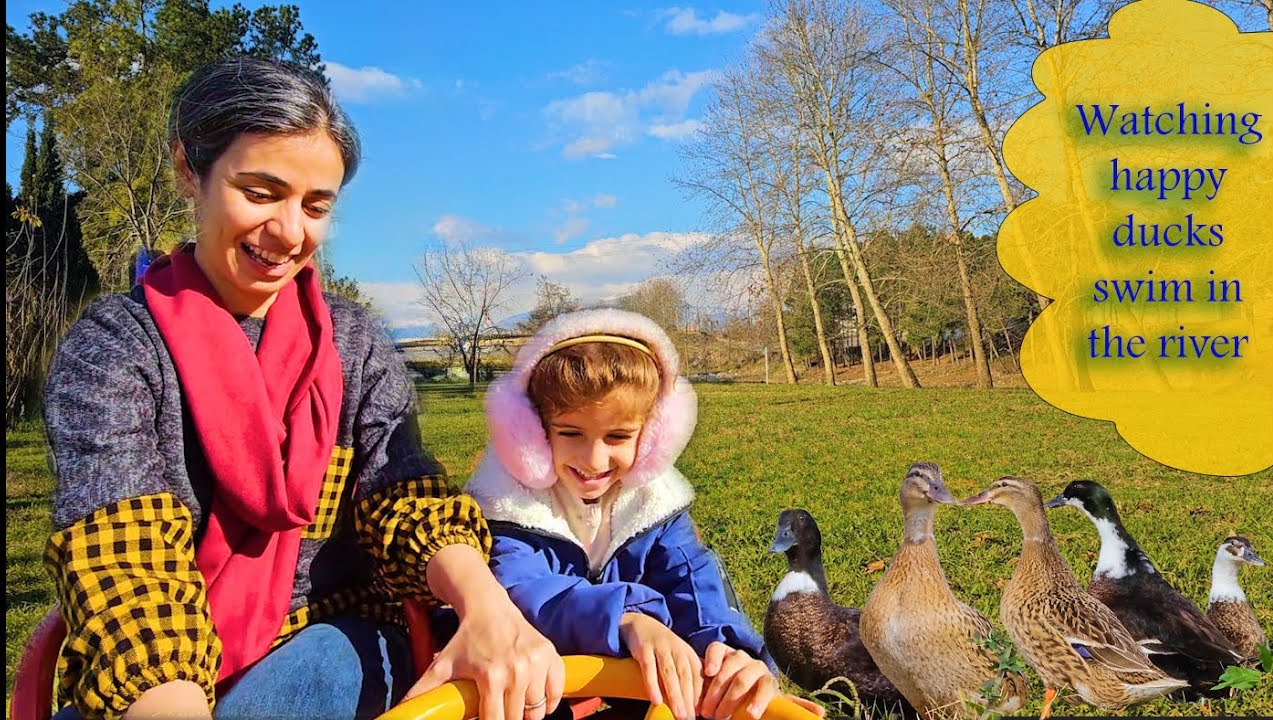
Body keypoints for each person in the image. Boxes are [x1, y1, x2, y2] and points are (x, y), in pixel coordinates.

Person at [42, 56, 561, 720]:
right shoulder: (114, 349)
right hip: (157, 679)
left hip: (336, 638)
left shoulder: (355, 342)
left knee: (318, 662)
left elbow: (405, 498)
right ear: (188, 171)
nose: (291, 232)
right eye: (260, 192)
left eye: (317, 206)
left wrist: (484, 606)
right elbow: (124, 566)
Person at [466, 309, 824, 720]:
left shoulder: (654, 506)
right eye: (570, 433)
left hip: (632, 686)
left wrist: (727, 652)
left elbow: (694, 580)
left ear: (655, 437)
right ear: (531, 432)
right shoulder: (510, 507)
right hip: (531, 689)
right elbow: (522, 592)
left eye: (618, 436)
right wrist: (627, 617)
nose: (594, 459)